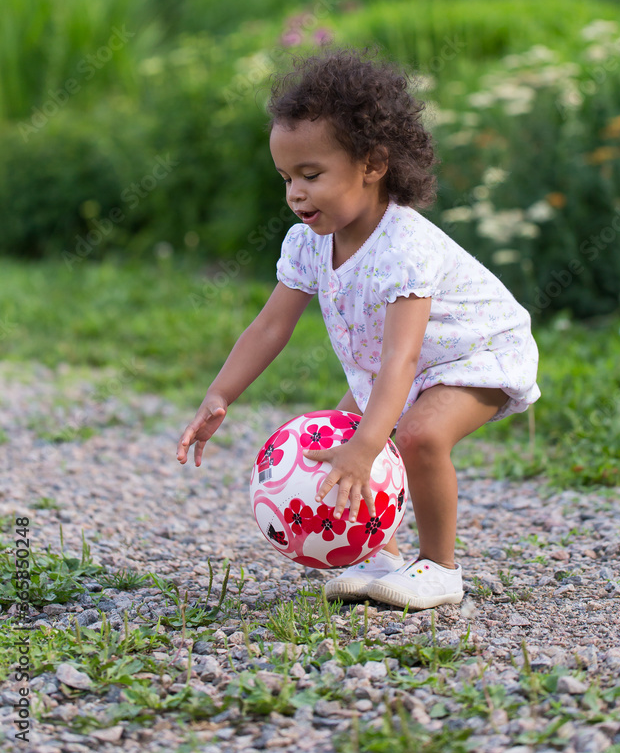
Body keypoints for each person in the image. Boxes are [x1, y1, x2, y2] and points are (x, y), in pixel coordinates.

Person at [176, 46, 540, 611]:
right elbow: (270, 327)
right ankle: (381, 552)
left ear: (372, 165)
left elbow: (403, 356)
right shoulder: (307, 242)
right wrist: (219, 395)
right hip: (396, 363)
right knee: (344, 430)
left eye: (311, 174)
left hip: (474, 354)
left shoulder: (405, 245)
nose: (295, 192)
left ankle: (441, 568)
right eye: (286, 177)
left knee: (415, 436)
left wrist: (369, 444)